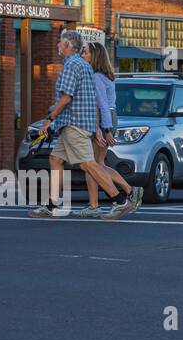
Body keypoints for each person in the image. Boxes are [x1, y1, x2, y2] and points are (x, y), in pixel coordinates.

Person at [29, 29, 134, 220]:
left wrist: (49, 119)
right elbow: (88, 99)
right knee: (55, 159)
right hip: (78, 122)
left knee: (89, 164)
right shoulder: (84, 66)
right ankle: (52, 204)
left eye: (60, 43)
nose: (58, 46)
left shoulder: (71, 65)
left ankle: (120, 200)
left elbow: (66, 97)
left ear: (68, 45)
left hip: (73, 123)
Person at [77, 41, 141, 217]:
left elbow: (102, 106)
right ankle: (94, 205)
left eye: (86, 53)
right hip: (106, 118)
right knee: (95, 163)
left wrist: (104, 128)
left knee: (93, 164)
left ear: (94, 56)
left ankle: (128, 191)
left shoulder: (97, 77)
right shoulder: (102, 75)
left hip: (103, 118)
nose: (83, 56)